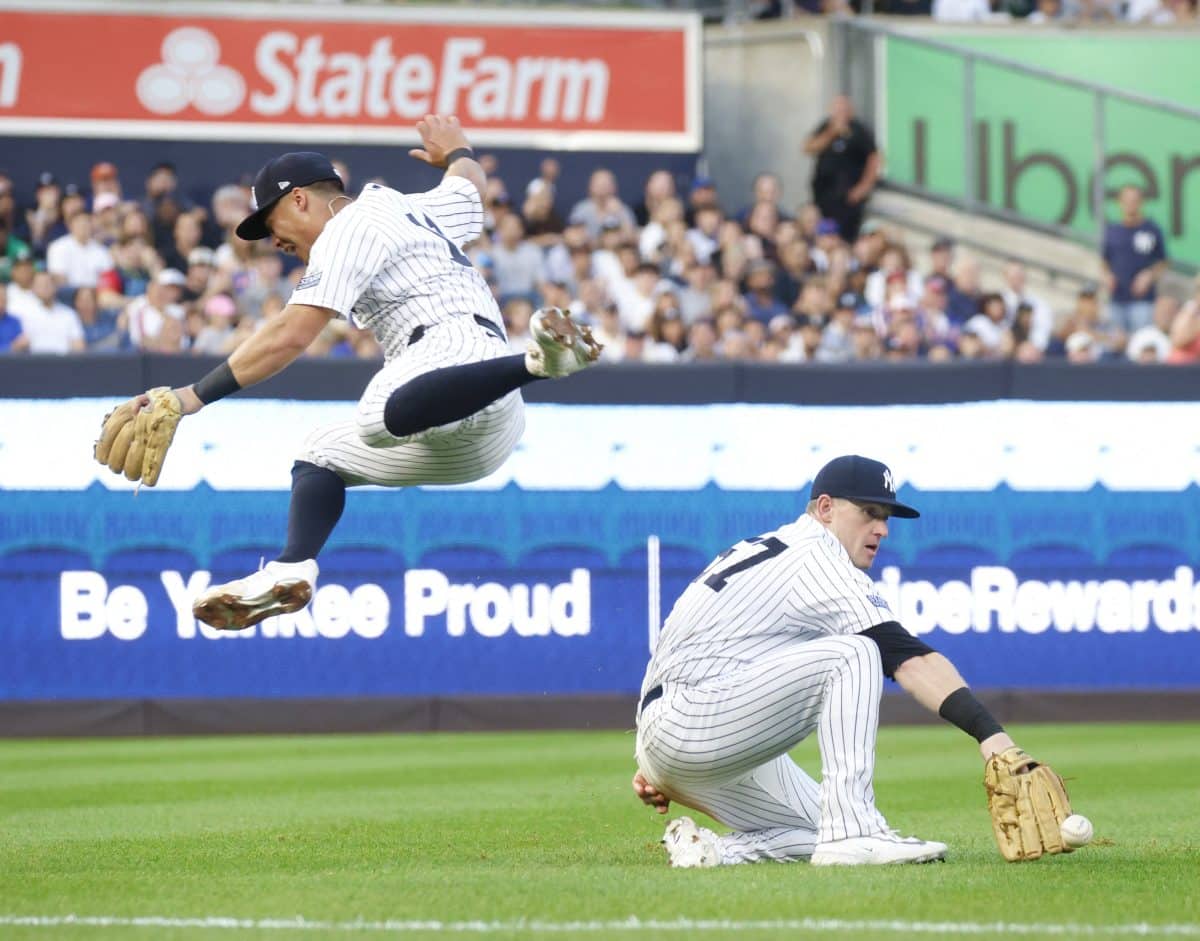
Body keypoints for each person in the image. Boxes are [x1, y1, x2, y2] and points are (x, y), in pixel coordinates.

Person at [102, 115, 601, 630]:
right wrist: (458, 153)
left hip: (454, 348)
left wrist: (189, 398)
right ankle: (291, 568)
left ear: (299, 199)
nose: (273, 241)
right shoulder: (410, 208)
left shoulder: (348, 226)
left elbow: (292, 334)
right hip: (477, 429)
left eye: (270, 223)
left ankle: (538, 362)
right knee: (319, 452)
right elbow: (470, 192)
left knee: (376, 418)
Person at [632, 454, 1052, 867]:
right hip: (691, 725)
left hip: (690, 731)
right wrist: (993, 737)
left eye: (886, 516)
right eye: (869, 512)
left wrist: (659, 758)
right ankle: (854, 834)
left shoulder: (776, 550)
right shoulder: (816, 555)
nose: (882, 529)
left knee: (820, 826)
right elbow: (907, 658)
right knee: (857, 652)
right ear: (826, 508)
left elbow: (685, 653)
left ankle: (711, 851)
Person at [803, 96, 880, 244]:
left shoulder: (859, 131)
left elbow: (874, 158)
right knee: (823, 232)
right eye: (837, 110)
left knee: (846, 236)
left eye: (844, 110)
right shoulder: (825, 127)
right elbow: (808, 147)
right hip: (823, 193)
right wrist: (832, 133)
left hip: (849, 196)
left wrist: (864, 187)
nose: (840, 114)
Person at [1102, 185, 1167, 335]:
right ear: (1120, 202)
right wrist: (1107, 276)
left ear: (1141, 202)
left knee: (1140, 346)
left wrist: (1149, 275)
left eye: (1134, 200)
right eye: (1127, 200)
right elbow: (1104, 261)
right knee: (1117, 346)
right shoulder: (1112, 231)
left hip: (1142, 301)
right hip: (1116, 300)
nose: (1130, 204)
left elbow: (1163, 262)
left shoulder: (1151, 229)